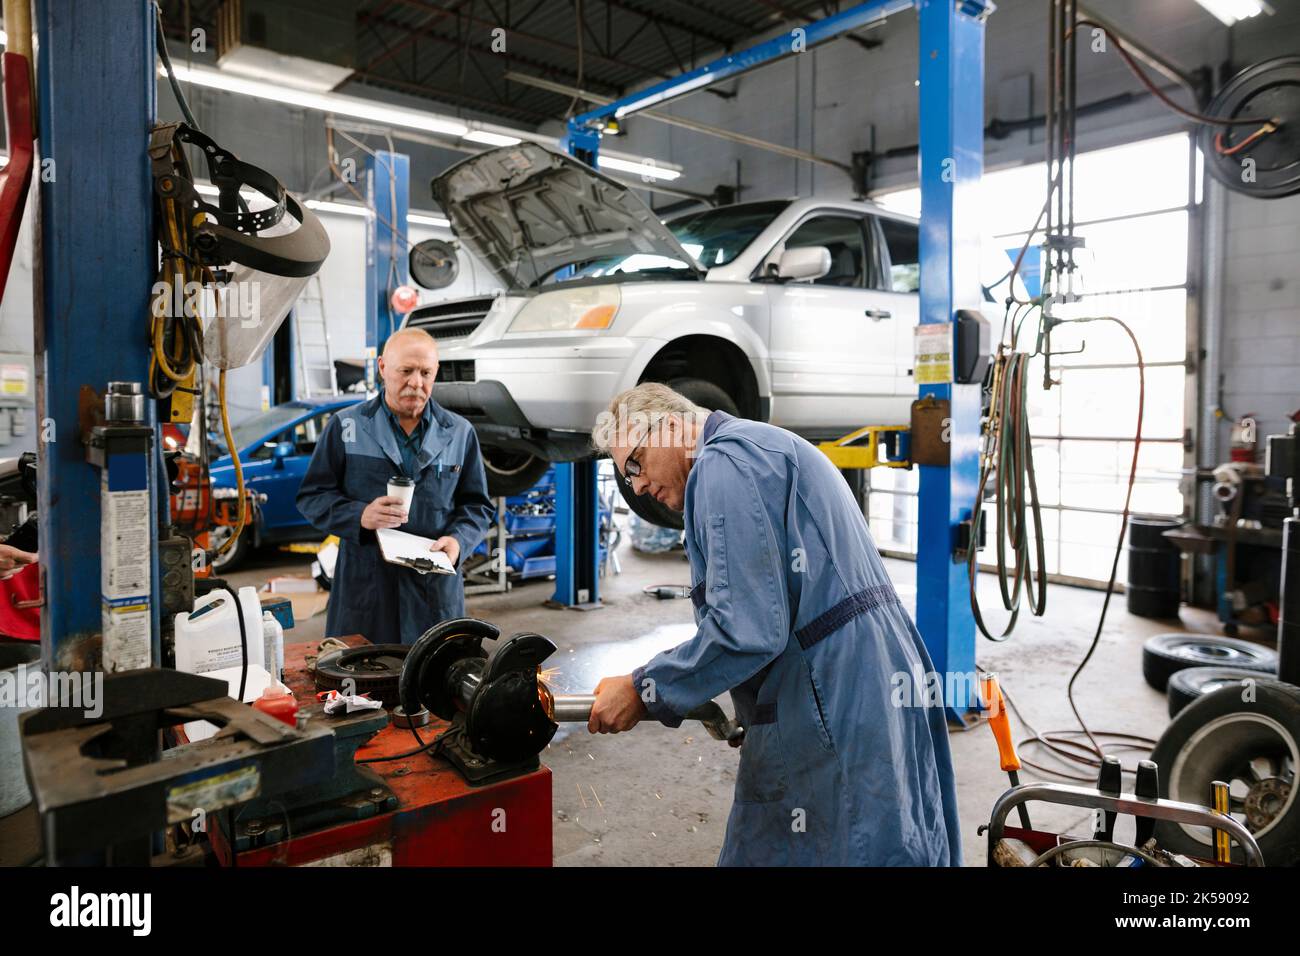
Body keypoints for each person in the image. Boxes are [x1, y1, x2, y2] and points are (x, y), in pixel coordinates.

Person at [587, 382, 961, 866]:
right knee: (879, 835)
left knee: (829, 843)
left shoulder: (722, 466)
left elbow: (747, 631)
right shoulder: (757, 448)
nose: (636, 486)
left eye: (635, 463)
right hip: (867, 670)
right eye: (625, 476)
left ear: (674, 427)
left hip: (837, 688)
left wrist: (644, 689)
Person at [297, 328, 494, 645]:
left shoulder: (459, 433)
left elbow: (477, 506)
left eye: (426, 373)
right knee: (363, 686)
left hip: (435, 594)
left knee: (435, 685)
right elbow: (312, 497)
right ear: (382, 368)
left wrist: (458, 542)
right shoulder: (345, 427)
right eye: (406, 371)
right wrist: (359, 515)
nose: (416, 383)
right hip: (366, 593)